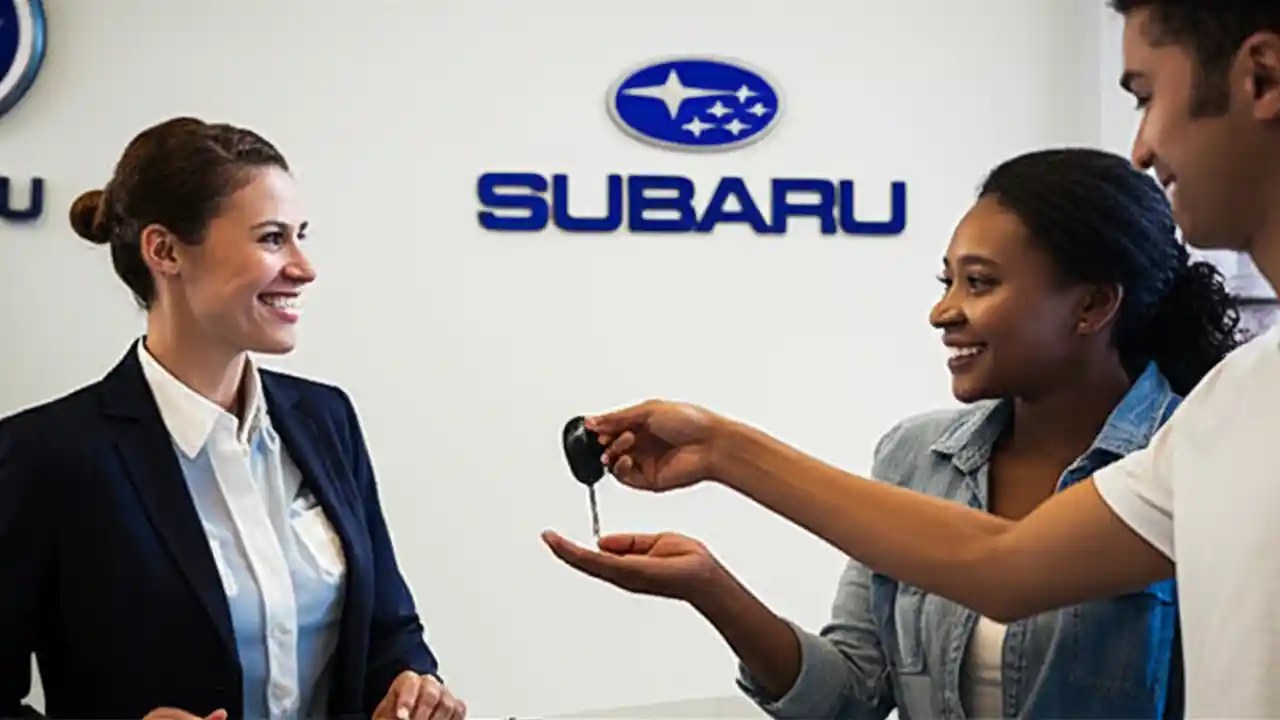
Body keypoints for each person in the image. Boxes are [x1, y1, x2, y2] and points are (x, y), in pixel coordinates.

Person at [540, 2, 1280, 717]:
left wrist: (721, 448)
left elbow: (1000, 569)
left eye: (980, 283)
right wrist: (712, 563)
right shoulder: (1227, 412)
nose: (1142, 147)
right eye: (947, 281)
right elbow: (993, 578)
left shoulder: (1200, 429)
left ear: (1091, 305)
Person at [0, 117, 466, 720]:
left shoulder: (328, 419)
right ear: (165, 251)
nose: (304, 266)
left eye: (300, 236)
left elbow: (388, 629)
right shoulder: (45, 455)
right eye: (272, 238)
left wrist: (412, 685)